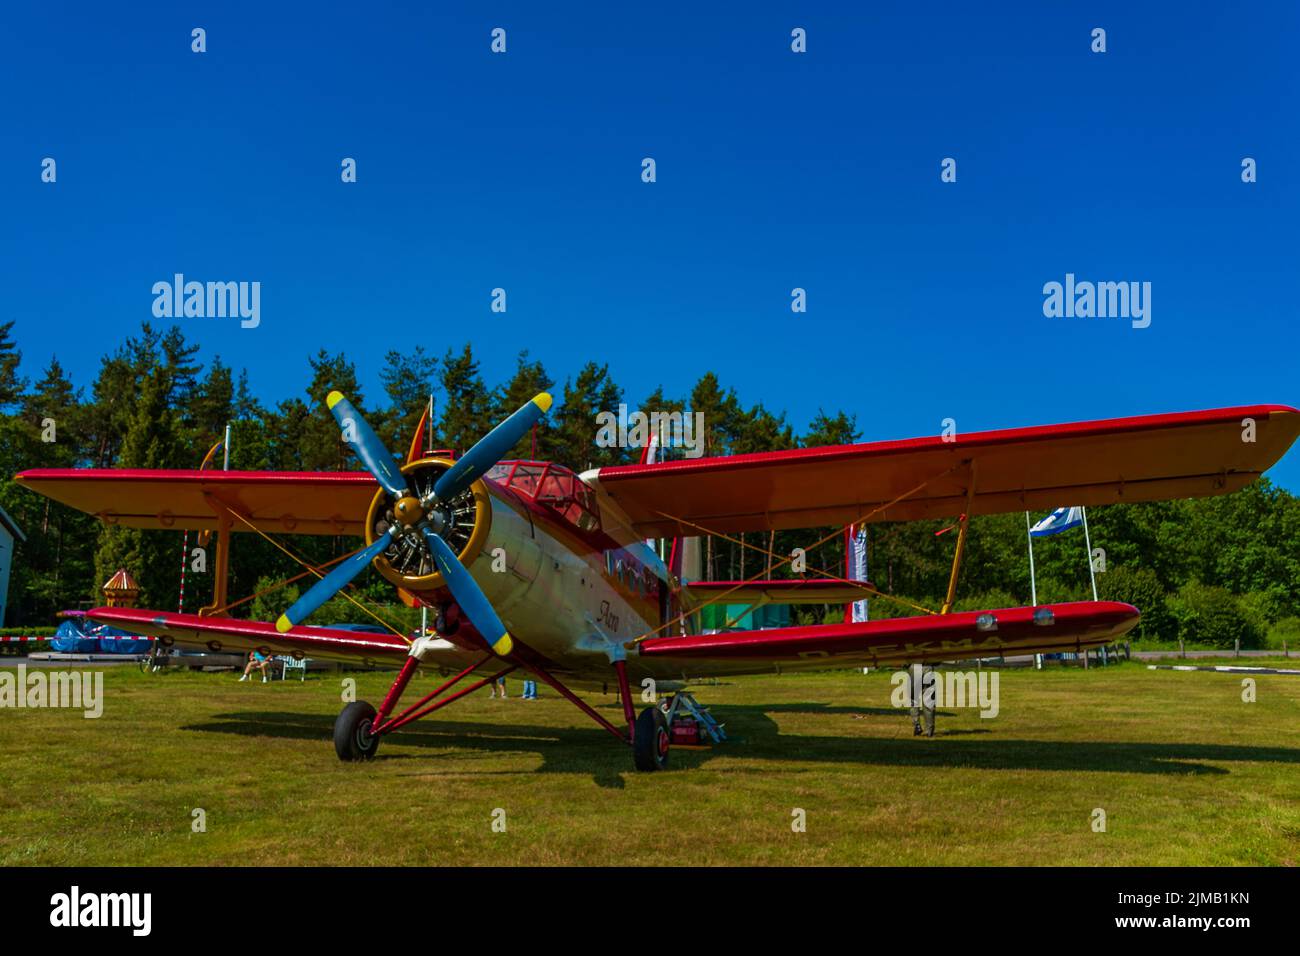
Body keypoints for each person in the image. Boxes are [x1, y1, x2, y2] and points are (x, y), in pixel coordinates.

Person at [907, 661, 936, 737]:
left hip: (914, 666)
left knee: (913, 699)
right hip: (928, 667)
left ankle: (917, 725)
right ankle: (929, 730)